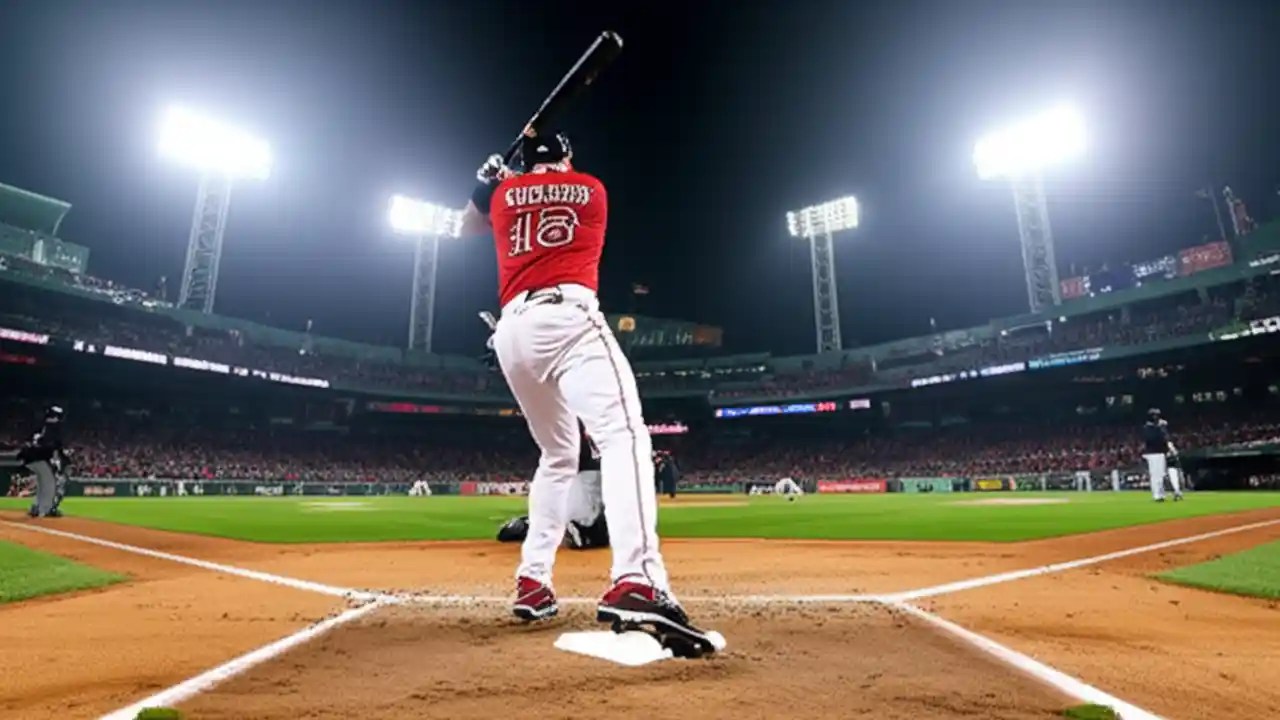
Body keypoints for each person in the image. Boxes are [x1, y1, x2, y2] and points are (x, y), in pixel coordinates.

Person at [459, 131, 717, 652]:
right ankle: (638, 579)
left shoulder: (503, 199)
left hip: (511, 334)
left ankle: (533, 582)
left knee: (557, 455)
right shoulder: (592, 188)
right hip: (569, 318)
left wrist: (483, 183)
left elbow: (465, 227)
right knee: (624, 437)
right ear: (568, 157)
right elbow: (557, 190)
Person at [497, 425, 609, 551]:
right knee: (586, 534)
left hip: (587, 473)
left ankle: (537, 524)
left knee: (589, 534)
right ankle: (538, 524)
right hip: (582, 473)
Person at [15, 406, 71, 517]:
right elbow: (56, 446)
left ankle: (36, 507)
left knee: (42, 483)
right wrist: (65, 459)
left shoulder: (40, 425)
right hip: (39, 457)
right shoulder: (54, 428)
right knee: (50, 484)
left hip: (29, 458)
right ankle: (46, 509)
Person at [1142, 408, 1183, 502]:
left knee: (1160, 475)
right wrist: (1160, 427)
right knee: (1155, 475)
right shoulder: (1148, 427)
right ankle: (1157, 495)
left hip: (1160, 452)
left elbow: (1165, 438)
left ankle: (1161, 494)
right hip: (1153, 453)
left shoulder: (1158, 427)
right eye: (1155, 415)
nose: (1156, 417)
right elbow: (1152, 439)